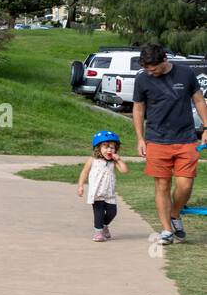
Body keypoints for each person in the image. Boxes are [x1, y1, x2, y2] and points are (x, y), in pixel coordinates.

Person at [133, 43, 207, 246]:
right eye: (147, 68)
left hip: (186, 139)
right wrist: (140, 138)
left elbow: (199, 100)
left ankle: (175, 214)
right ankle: (166, 230)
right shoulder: (142, 79)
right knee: (162, 185)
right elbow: (139, 109)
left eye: (153, 68)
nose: (150, 72)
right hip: (156, 139)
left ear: (164, 60)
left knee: (185, 184)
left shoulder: (185, 73)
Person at [77, 130, 128, 242]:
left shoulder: (113, 162)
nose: (109, 150)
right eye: (105, 147)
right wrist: (80, 186)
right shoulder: (93, 160)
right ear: (98, 148)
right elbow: (84, 172)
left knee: (112, 213)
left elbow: (124, 171)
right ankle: (98, 233)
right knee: (98, 213)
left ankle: (105, 226)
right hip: (97, 193)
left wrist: (118, 159)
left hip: (109, 193)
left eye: (112, 147)